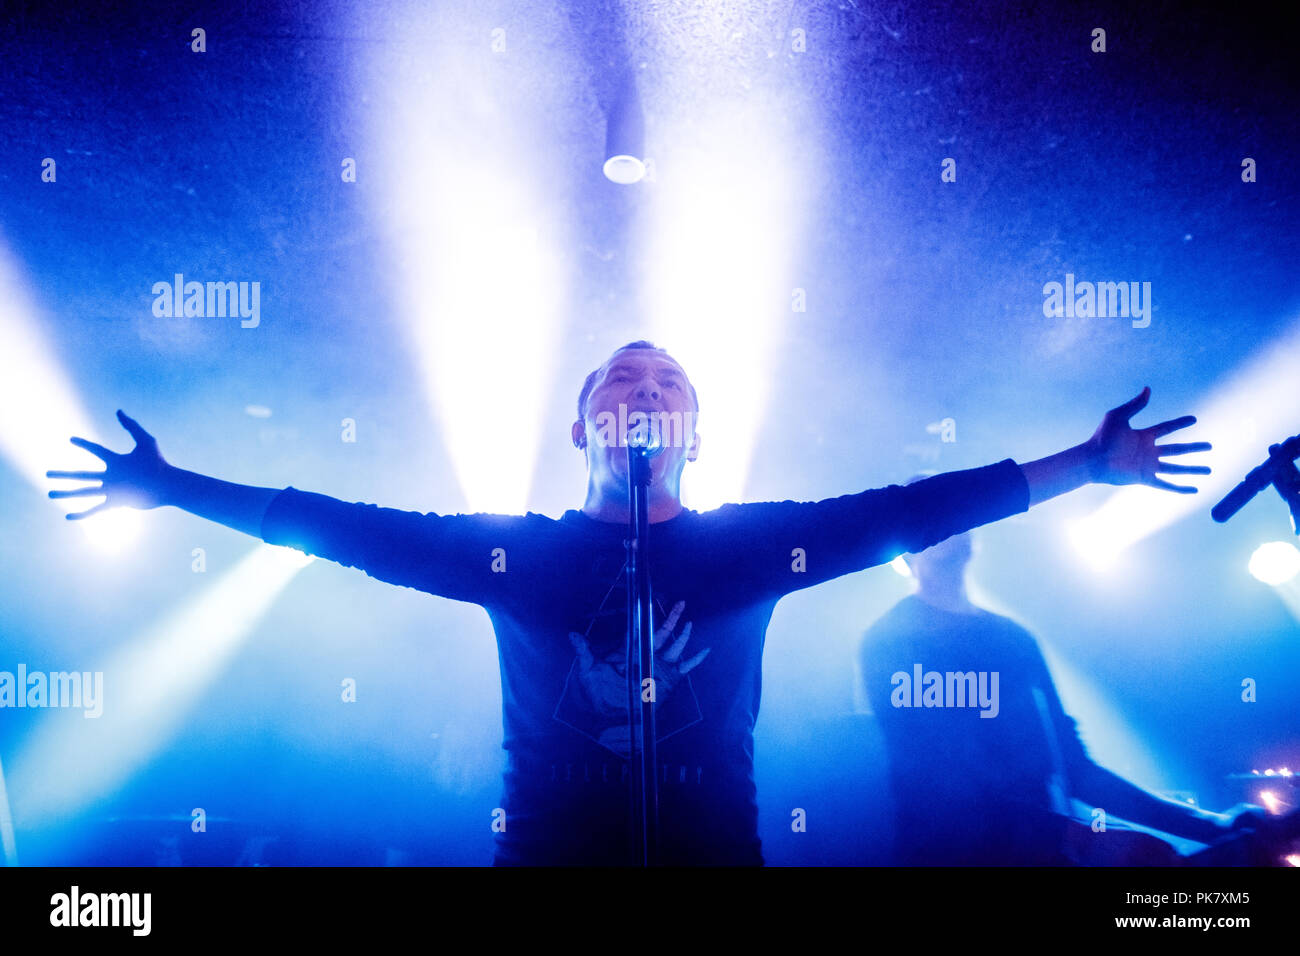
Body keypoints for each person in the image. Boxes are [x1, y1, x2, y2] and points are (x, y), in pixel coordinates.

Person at [48, 340, 1214, 865]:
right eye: (622, 380)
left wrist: (1082, 462)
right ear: (582, 425)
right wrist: (170, 486)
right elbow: (339, 525)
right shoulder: (523, 556)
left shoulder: (752, 549)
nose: (644, 394)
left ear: (696, 431)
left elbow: (910, 506)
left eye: (667, 385)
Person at [859, 514, 1259, 865]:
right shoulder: (891, 642)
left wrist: (1211, 825)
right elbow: (941, 790)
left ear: (973, 534)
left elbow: (1075, 768)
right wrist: (1083, 838)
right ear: (905, 552)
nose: (943, 524)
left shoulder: (1014, 639)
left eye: (954, 511)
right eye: (926, 517)